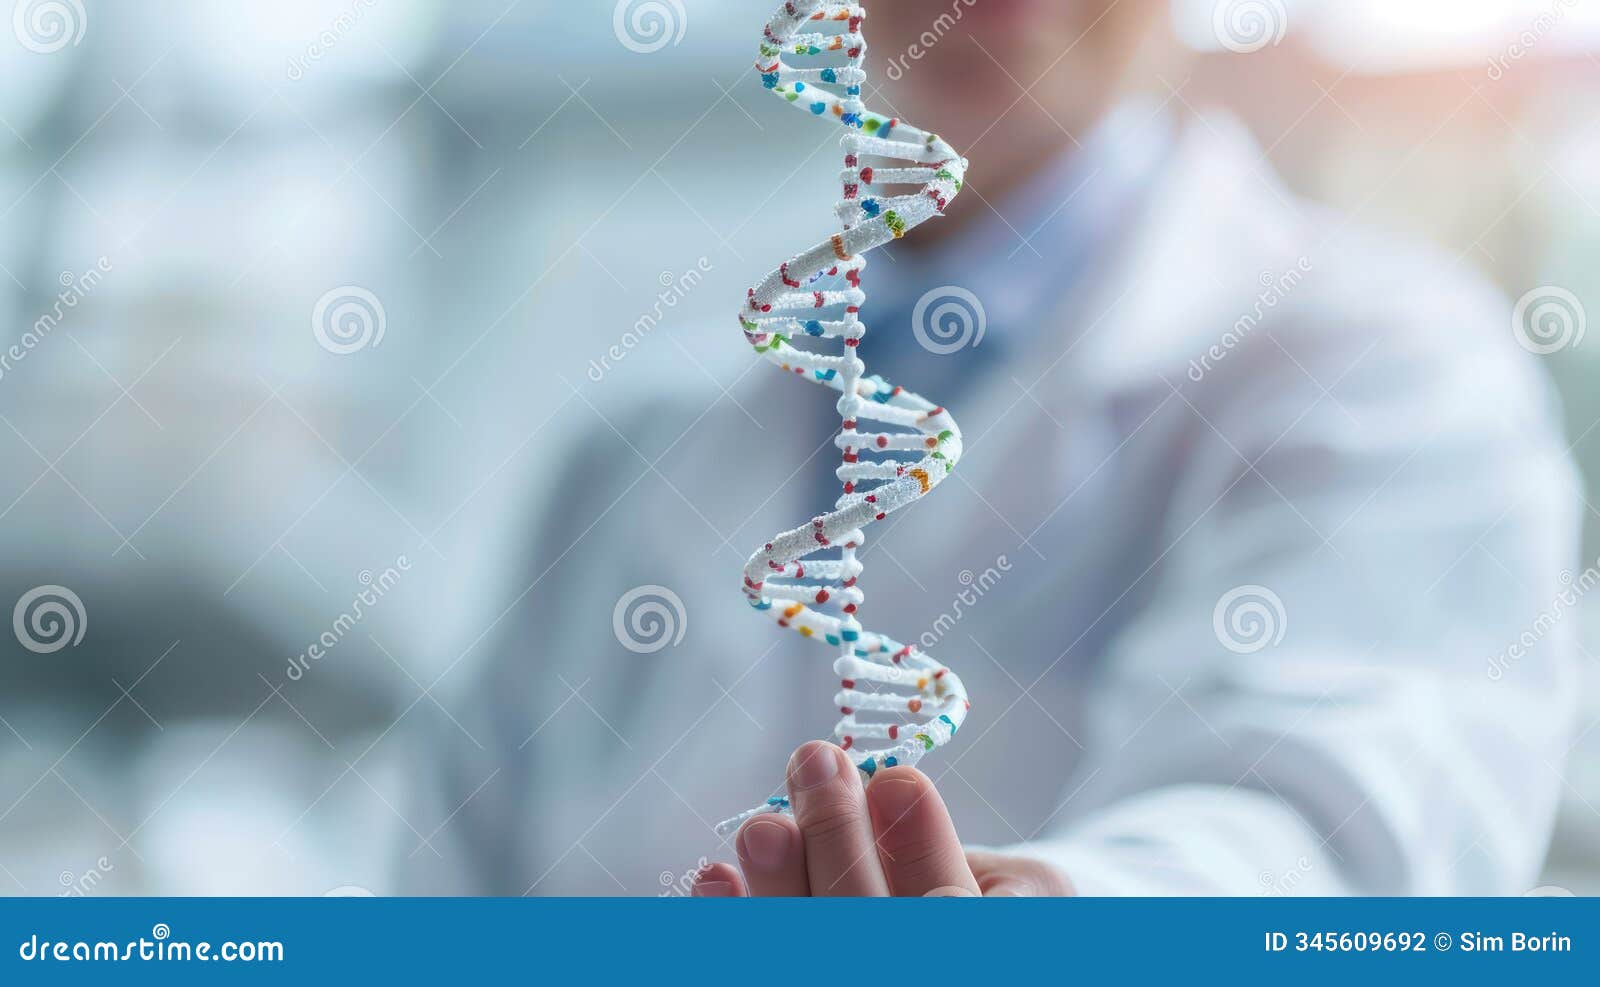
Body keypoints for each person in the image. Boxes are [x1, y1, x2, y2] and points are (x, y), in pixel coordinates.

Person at [408, 0, 1580, 895]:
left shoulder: (1379, 367)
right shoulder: (637, 444)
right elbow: (445, 885)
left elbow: (1340, 818)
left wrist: (1062, 917)